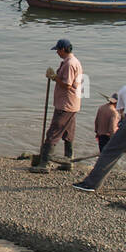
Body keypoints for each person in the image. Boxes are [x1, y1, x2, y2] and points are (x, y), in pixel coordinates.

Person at [33, 39, 82, 171]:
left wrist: (54, 77)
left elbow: (67, 84)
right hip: (72, 104)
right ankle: (68, 162)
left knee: (53, 133)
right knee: (68, 133)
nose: (57, 53)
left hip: (65, 105)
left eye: (58, 50)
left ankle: (44, 164)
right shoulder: (72, 62)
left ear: (63, 49)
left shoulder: (70, 64)